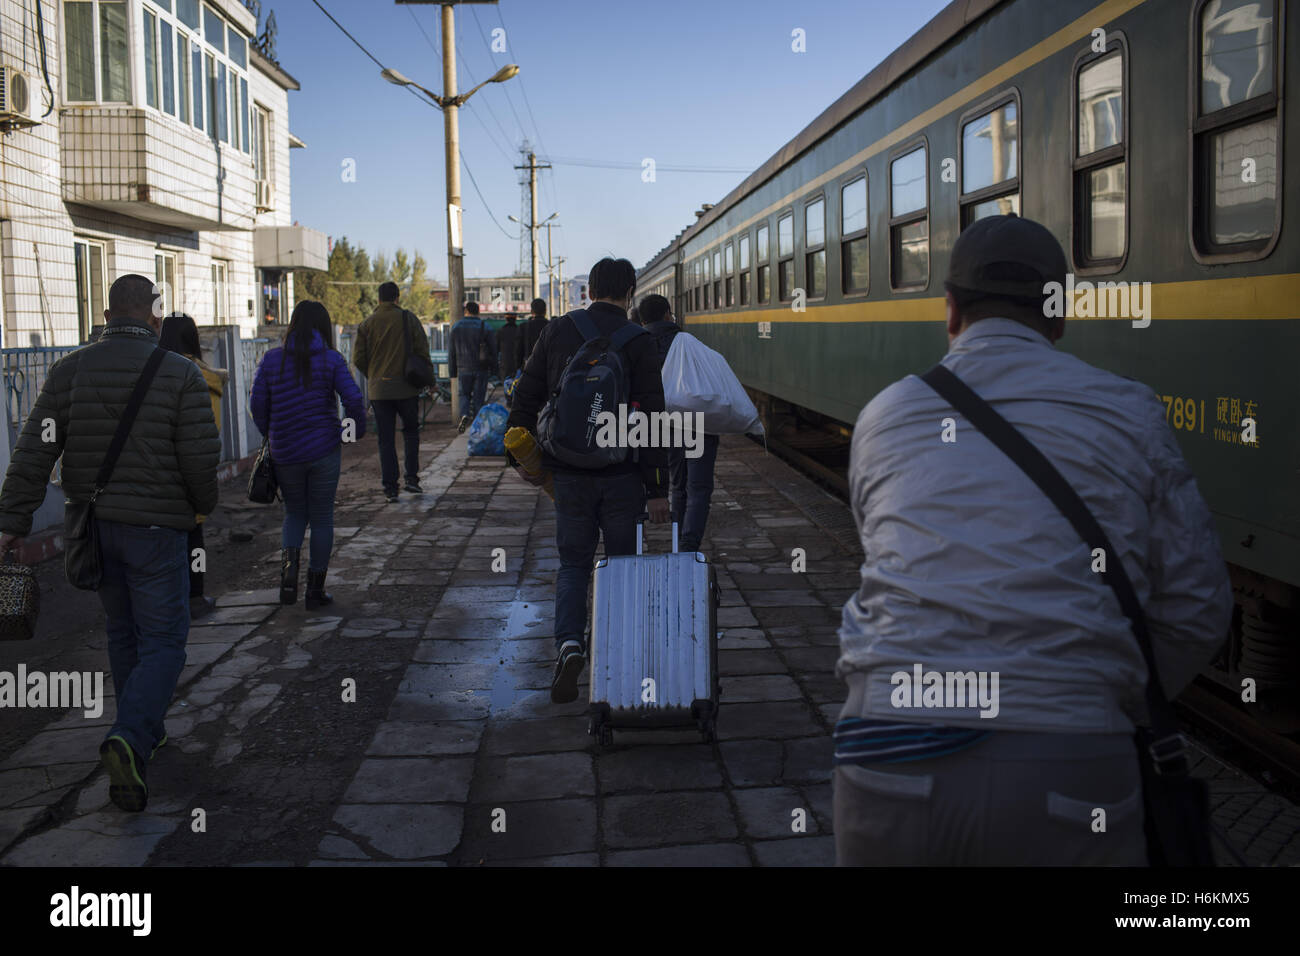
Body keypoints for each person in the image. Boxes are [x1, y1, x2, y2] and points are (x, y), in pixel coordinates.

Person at [833, 215, 1232, 866]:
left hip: (887, 744)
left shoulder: (885, 413)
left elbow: (888, 561)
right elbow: (1196, 607)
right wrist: (1103, 691)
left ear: (950, 310)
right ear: (1060, 316)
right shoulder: (1130, 410)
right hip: (1069, 756)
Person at [0, 274, 219, 812]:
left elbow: (35, 449)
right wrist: (201, 505)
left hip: (92, 529)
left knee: (123, 632)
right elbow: (199, 458)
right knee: (165, 639)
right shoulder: (180, 373)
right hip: (157, 531)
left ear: (105, 315)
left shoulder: (67, 370)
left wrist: (12, 521)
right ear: (155, 317)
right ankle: (131, 735)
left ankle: (143, 726)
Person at [507, 258, 670, 704]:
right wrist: (658, 489)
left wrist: (518, 456)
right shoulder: (640, 341)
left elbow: (526, 395)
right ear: (630, 292)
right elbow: (654, 418)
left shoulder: (559, 330)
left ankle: (569, 645)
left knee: (574, 564)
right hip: (622, 477)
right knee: (623, 568)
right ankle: (616, 656)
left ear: (590, 289)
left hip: (569, 474)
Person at [251, 301, 366, 611]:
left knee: (294, 514)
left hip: (286, 453)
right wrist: (351, 432)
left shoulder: (272, 359)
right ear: (324, 327)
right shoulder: (331, 359)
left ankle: (288, 576)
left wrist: (272, 432)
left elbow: (257, 405)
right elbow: (353, 399)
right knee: (322, 518)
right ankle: (315, 591)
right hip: (324, 449)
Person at [159, 312, 229, 619]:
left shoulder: (155, 372)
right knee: (195, 538)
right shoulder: (206, 377)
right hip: (197, 467)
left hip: (160, 469)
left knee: (163, 539)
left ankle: (168, 599)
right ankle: (196, 595)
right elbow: (212, 429)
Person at [638, 293, 721, 553]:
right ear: (667, 315)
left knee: (678, 483)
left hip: (665, 423)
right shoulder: (687, 341)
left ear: (642, 319)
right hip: (697, 422)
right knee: (699, 486)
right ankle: (688, 544)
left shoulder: (640, 343)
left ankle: (680, 539)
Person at [354, 281, 429, 502]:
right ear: (397, 298)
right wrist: (429, 381)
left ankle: (390, 488)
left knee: (385, 440)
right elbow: (422, 351)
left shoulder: (367, 324)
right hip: (407, 388)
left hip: (380, 392)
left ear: (378, 299)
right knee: (411, 433)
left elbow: (358, 358)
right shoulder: (408, 319)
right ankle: (412, 479)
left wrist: (375, 375)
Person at [448, 301, 496, 433]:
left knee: (464, 394)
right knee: (479, 397)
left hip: (463, 368)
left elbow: (451, 352)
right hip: (481, 368)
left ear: (466, 311)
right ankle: (477, 422)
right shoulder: (485, 327)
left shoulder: (456, 327)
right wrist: (495, 370)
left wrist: (452, 371)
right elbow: (493, 350)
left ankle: (464, 414)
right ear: (478, 312)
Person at [521, 297, 548, 366]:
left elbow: (519, 349)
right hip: (548, 366)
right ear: (545, 311)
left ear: (531, 311)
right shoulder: (552, 326)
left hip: (530, 366)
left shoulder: (524, 327)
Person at [497, 312, 523, 382]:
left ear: (506, 319)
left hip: (505, 363)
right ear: (515, 319)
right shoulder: (520, 330)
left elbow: (496, 347)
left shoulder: (501, 330)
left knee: (506, 384)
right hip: (518, 363)